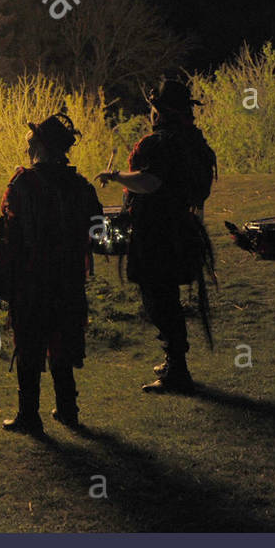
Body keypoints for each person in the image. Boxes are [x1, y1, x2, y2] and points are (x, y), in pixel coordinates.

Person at [97, 79, 216, 394]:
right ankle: (174, 361)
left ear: (160, 112)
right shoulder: (195, 142)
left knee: (160, 300)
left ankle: (178, 370)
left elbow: (150, 182)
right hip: (183, 230)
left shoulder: (160, 143)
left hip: (158, 234)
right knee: (166, 298)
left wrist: (116, 176)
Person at [0, 114, 102, 434]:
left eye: (32, 142)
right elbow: (95, 229)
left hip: (33, 279)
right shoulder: (81, 186)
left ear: (40, 146)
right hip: (68, 279)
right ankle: (68, 410)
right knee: (62, 339)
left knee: (30, 342)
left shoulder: (24, 183)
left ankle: (29, 416)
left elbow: (14, 231)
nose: (28, 146)